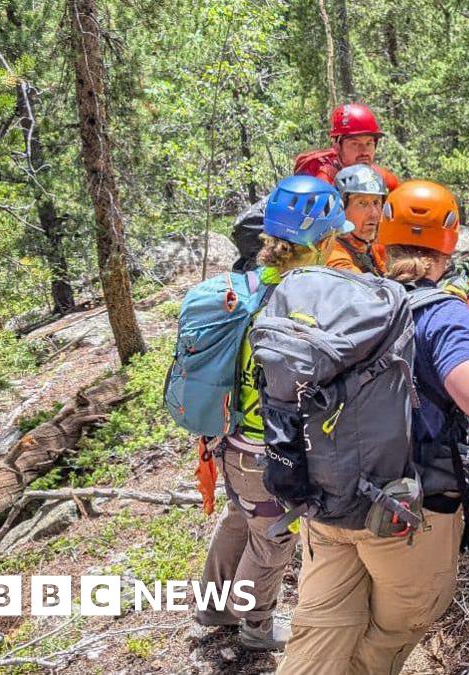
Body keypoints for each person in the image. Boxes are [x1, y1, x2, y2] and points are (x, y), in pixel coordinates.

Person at [277, 180, 469, 675]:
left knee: (318, 632)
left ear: (383, 240)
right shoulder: (443, 313)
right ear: (449, 242)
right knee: (396, 629)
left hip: (329, 501)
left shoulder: (355, 301)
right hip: (405, 514)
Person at [195, 175, 353, 651]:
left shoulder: (253, 285)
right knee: (273, 540)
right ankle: (255, 627)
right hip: (269, 454)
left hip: (231, 441)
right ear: (324, 241)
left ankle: (214, 607)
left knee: (240, 519)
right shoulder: (305, 301)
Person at [294, 103, 400, 192]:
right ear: (337, 147)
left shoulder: (381, 177)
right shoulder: (323, 181)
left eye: (369, 144)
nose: (364, 152)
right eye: (355, 144)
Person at [327, 164, 388, 274]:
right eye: (362, 203)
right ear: (341, 207)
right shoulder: (333, 254)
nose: (374, 213)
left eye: (376, 202)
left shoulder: (364, 247)